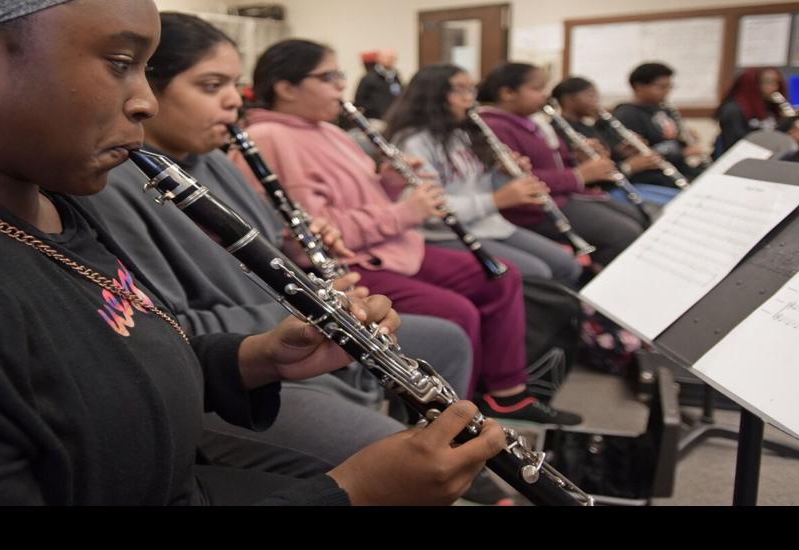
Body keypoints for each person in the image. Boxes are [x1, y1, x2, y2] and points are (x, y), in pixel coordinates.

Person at [0, 0, 505, 505]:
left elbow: (77, 354)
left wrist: (250, 358)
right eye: (121, 63)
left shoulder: (36, 198)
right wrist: (348, 496)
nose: (145, 99)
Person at [78, 12, 507, 502]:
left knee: (446, 337)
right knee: (382, 449)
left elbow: (260, 246)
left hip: (280, 330)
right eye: (211, 84)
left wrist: (299, 244)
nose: (231, 101)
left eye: (235, 84)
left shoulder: (214, 158)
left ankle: (449, 449)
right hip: (225, 370)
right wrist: (303, 309)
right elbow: (166, 326)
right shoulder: (109, 184)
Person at [237, 38, 581, 425]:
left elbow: (362, 199)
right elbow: (311, 234)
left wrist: (391, 182)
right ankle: (448, 427)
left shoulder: (330, 131)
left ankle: (506, 394)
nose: (341, 86)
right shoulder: (270, 138)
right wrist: (406, 212)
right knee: (457, 313)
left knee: (501, 278)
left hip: (396, 245)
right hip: (351, 263)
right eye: (329, 77)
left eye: (340, 75)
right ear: (285, 87)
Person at [384, 64, 579, 286]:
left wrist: (505, 175)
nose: (469, 98)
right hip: (444, 234)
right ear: (433, 95)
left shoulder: (462, 134)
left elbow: (476, 185)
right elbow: (430, 208)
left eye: (471, 89)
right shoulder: (413, 142)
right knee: (538, 273)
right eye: (460, 90)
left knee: (566, 264)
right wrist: (497, 199)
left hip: (489, 224)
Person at [474, 62, 645, 266]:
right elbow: (518, 178)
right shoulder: (493, 126)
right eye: (537, 89)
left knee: (638, 217)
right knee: (623, 233)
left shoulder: (532, 121)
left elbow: (556, 163)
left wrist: (577, 157)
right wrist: (580, 175)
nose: (545, 95)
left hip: (564, 196)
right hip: (533, 210)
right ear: (508, 93)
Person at [549, 76, 677, 207]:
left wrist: (623, 153)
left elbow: (607, 159)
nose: (596, 103)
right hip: (604, 191)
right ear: (570, 99)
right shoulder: (558, 131)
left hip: (621, 185)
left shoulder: (589, 127)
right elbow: (587, 173)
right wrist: (629, 167)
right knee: (667, 206)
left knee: (677, 198)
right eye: (590, 96)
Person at [611, 62, 706, 190]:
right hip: (653, 177)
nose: (667, 92)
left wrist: (684, 139)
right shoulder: (627, 114)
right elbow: (643, 156)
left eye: (669, 87)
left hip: (677, 169)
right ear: (639, 87)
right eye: (662, 87)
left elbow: (668, 140)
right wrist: (683, 153)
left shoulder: (664, 109)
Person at [713, 68, 799, 157]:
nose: (774, 88)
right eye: (767, 82)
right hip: (743, 161)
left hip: (769, 158)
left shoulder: (771, 106)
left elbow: (775, 133)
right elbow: (737, 143)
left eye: (776, 83)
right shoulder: (733, 109)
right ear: (752, 84)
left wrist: (793, 134)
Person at [351, 48, 402, 121]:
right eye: (387, 57)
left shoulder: (396, 78)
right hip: (374, 119)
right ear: (379, 59)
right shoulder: (369, 78)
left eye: (392, 58)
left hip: (393, 118)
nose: (389, 60)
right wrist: (372, 111)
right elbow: (359, 100)